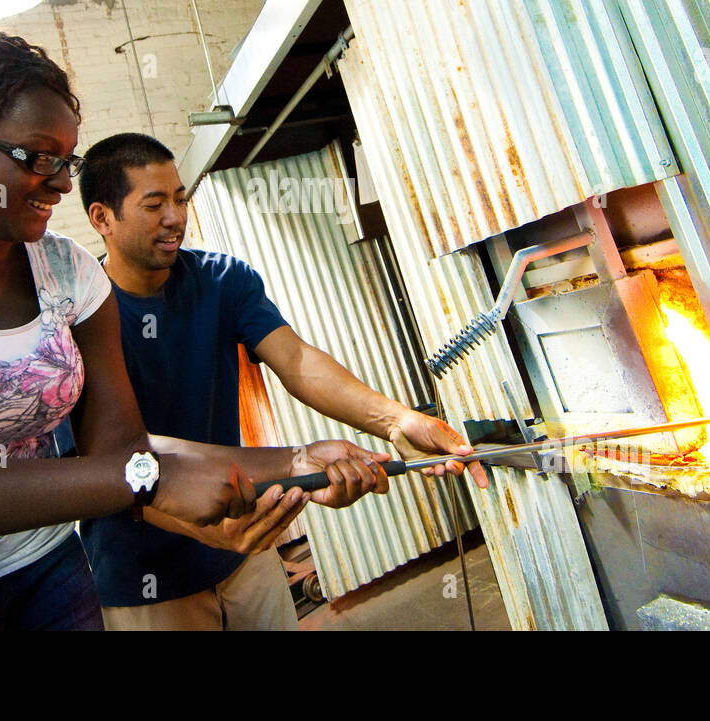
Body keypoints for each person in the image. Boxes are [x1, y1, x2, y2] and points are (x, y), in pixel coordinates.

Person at [0, 26, 384, 630]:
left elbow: (121, 451)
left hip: (45, 571)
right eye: (39, 157)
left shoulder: (69, 271)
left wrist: (296, 459)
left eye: (68, 160)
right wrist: (152, 480)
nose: (61, 182)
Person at [76, 133, 488, 631]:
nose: (174, 217)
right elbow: (94, 466)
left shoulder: (221, 280)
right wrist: (200, 526)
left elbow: (296, 360)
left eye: (180, 199)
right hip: (145, 578)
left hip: (244, 546)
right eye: (154, 204)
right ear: (102, 218)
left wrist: (396, 420)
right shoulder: (77, 319)